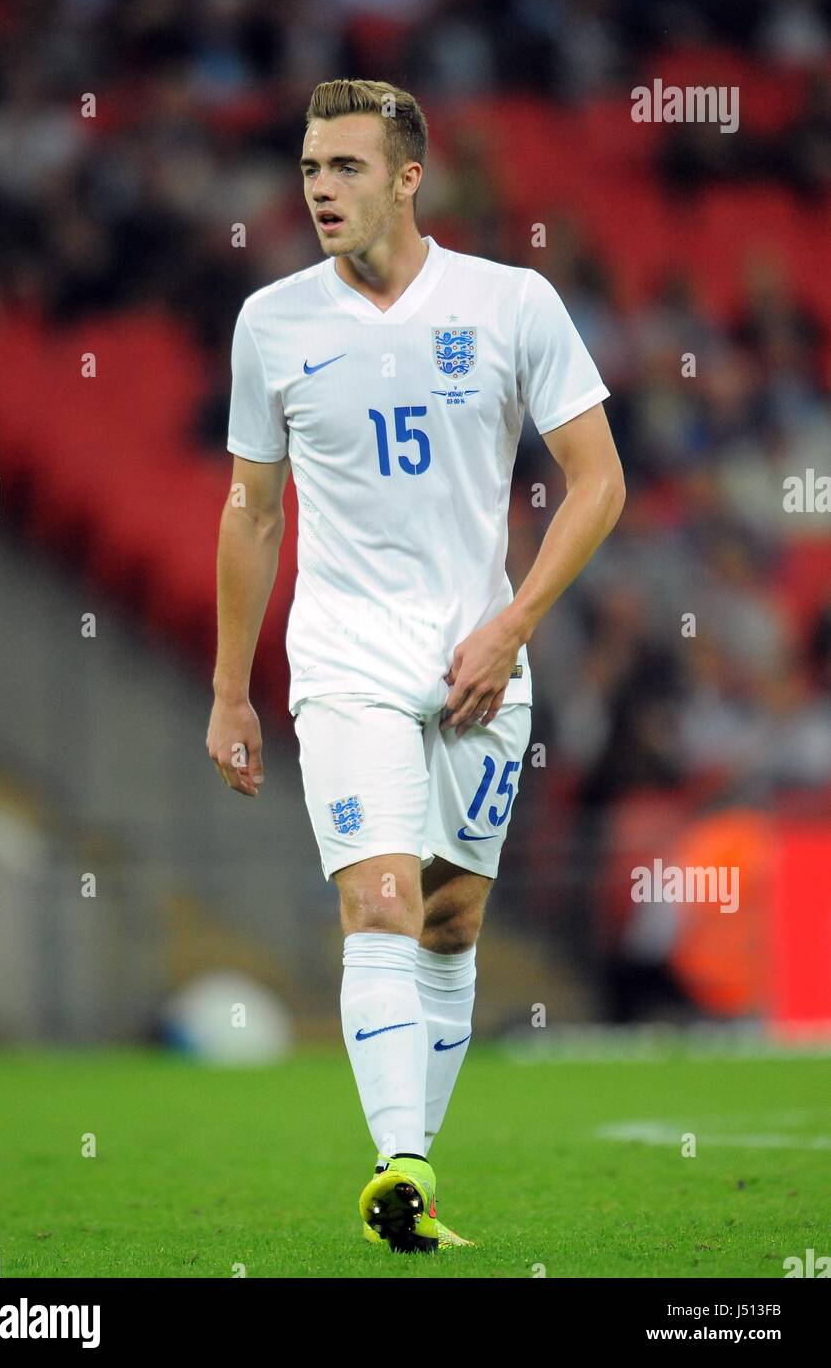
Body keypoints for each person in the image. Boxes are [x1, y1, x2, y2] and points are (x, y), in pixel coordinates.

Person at [206, 78, 625, 1253]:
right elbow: (251, 515)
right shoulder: (272, 323)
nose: (321, 191)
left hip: (478, 660)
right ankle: (402, 1164)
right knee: (376, 899)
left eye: (345, 169)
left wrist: (515, 624)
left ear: (406, 177)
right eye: (307, 170)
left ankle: (411, 1177)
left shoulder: (508, 303)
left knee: (448, 921)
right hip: (341, 657)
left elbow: (599, 482)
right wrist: (233, 686)